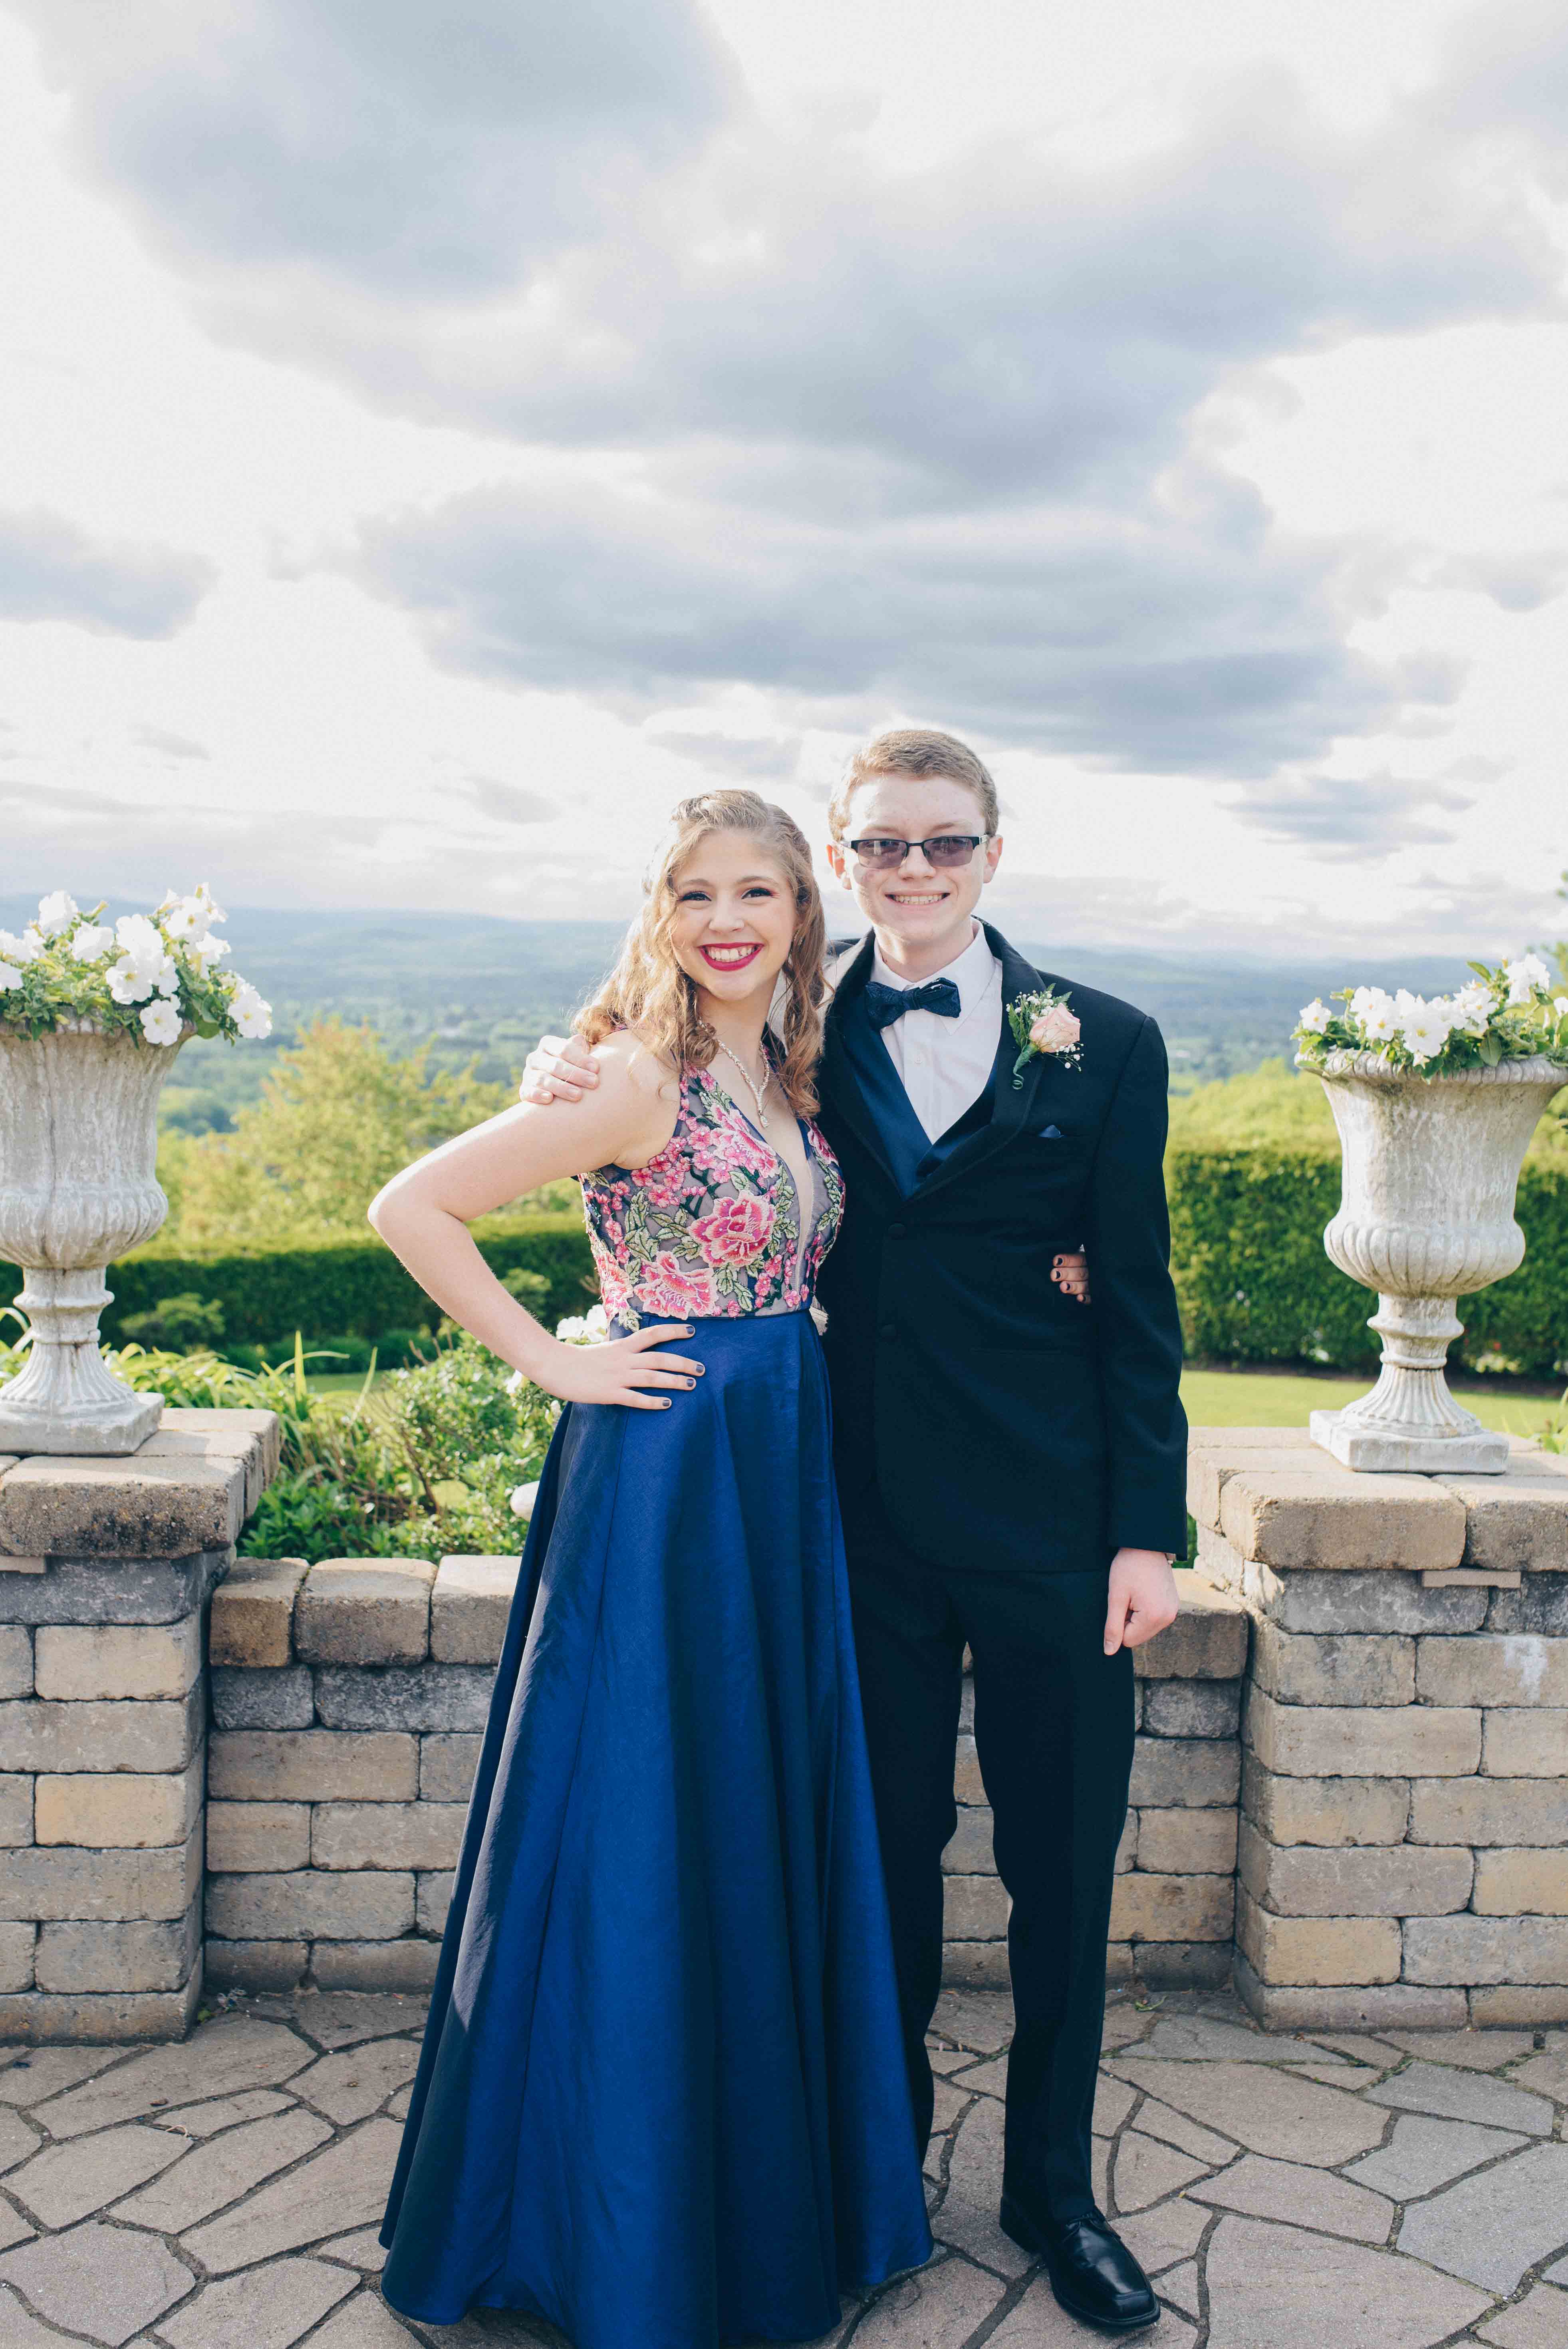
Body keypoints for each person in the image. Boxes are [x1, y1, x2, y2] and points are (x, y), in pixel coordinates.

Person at [522, 727, 1188, 2336]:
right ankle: (864, 2171)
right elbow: (682, 1136)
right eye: (880, 847)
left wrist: (1143, 1534)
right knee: (873, 1868)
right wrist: (562, 1070)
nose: (912, 871)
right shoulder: (803, 1032)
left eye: (940, 845)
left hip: (1050, 1526)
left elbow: (1140, 1299)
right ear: (843, 858)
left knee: (1060, 1872)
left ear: (990, 855)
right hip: (851, 1527)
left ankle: (1051, 2185)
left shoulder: (1105, 1040)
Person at [370, 790, 932, 2347]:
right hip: (669, 1468)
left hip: (770, 1468)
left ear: (801, 912)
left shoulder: (783, 1065)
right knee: (641, 1816)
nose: (728, 917)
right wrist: (552, 1359)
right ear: (662, 909)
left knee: (746, 1813)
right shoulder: (629, 1073)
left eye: (758, 889)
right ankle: (619, 2233)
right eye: (698, 892)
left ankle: (754, 2194)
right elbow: (413, 1204)